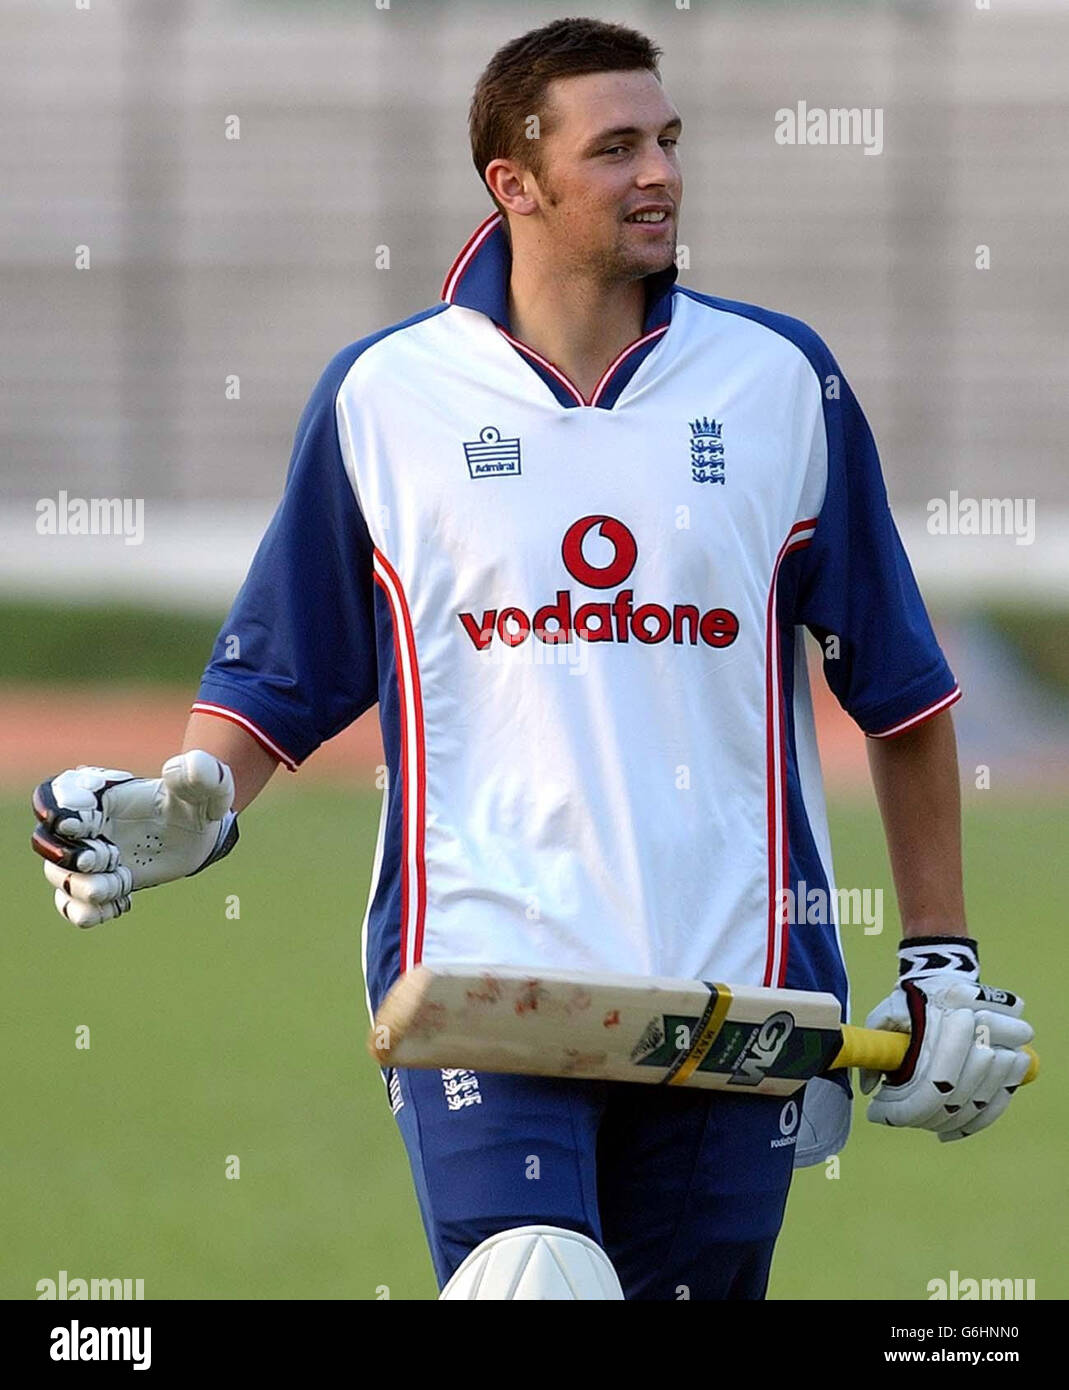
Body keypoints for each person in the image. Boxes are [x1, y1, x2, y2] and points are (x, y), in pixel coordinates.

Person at [31, 17, 1033, 1301]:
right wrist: (197, 805)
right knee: (533, 1279)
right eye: (613, 148)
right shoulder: (387, 396)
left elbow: (899, 694)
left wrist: (938, 952)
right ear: (514, 183)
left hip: (737, 998)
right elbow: (279, 679)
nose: (658, 172)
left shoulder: (781, 380)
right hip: (482, 987)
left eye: (666, 140)